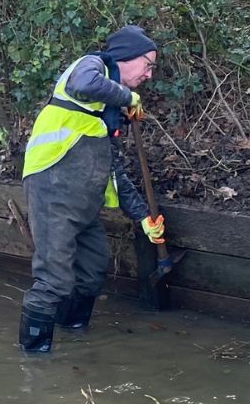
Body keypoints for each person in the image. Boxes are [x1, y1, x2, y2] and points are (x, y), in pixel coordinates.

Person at [17, 25, 164, 352]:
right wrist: (128, 97)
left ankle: (72, 335)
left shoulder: (103, 115)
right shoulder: (91, 66)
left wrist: (143, 217)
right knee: (54, 280)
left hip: (83, 204)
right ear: (126, 57)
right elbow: (85, 83)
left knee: (93, 272)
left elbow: (115, 171)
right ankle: (34, 359)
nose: (149, 74)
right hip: (53, 189)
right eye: (148, 64)